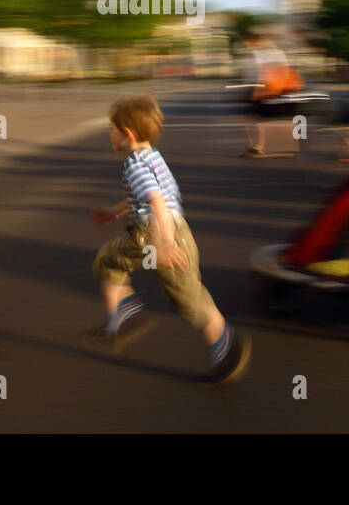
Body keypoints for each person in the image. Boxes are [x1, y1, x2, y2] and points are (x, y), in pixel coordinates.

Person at [87, 93, 252, 385]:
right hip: (177, 230)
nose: (109, 134)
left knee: (110, 261)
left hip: (155, 235)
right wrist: (114, 211)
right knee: (189, 295)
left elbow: (156, 202)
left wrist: (164, 245)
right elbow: (147, 197)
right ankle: (223, 341)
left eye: (111, 129)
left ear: (126, 134)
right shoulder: (152, 156)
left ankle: (125, 311)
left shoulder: (134, 165)